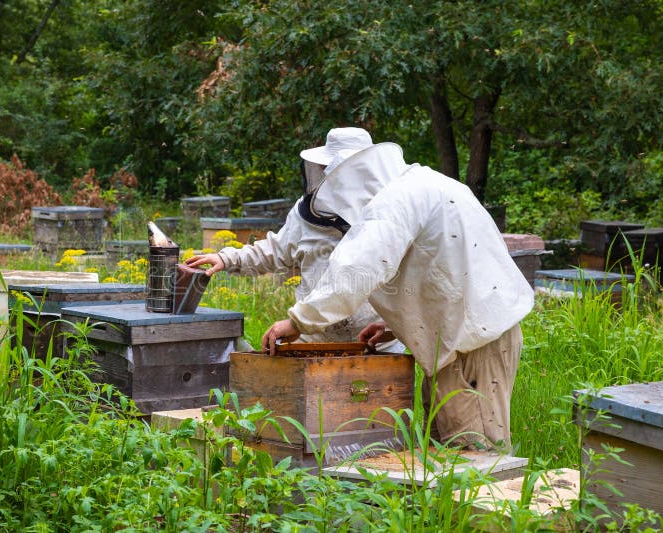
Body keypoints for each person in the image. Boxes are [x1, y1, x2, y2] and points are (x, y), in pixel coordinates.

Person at [260, 141, 535, 450]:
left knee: (472, 459)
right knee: (444, 453)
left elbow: (356, 269)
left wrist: (299, 321)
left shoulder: (396, 201)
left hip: (471, 347)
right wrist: (393, 328)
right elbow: (445, 275)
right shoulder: (431, 184)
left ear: (355, 179)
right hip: (468, 340)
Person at [186, 128, 403, 350]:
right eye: (324, 169)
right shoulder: (306, 212)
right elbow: (275, 250)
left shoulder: (389, 215)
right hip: (315, 339)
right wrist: (228, 259)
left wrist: (391, 327)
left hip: (377, 341)